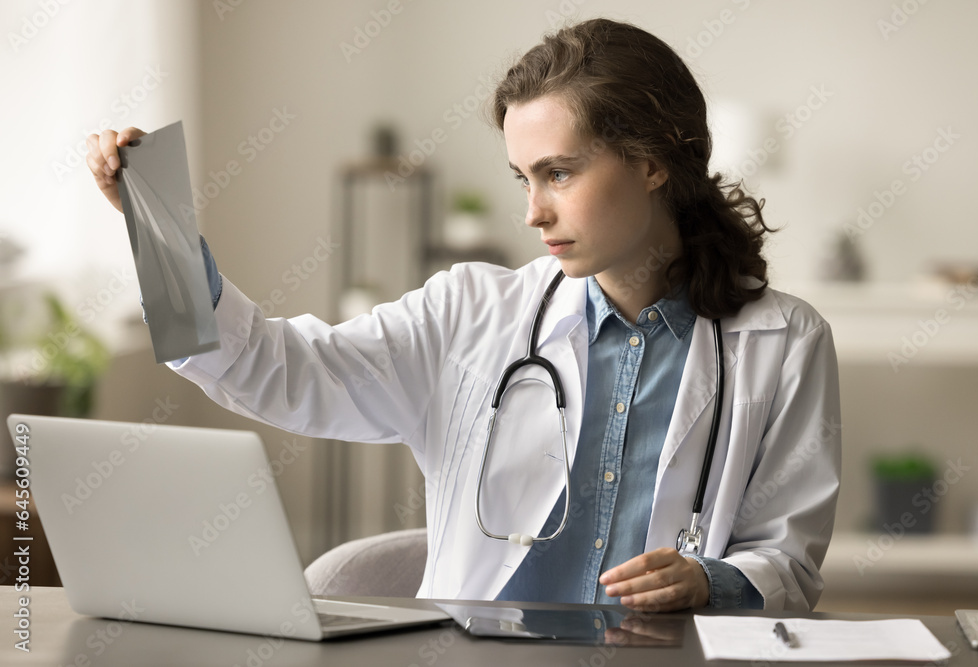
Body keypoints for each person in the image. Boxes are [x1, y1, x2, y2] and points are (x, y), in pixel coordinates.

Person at [86, 18, 840, 613]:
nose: (532, 212)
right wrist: (162, 239)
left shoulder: (784, 341)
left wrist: (710, 582)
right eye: (523, 177)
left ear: (651, 162)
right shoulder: (469, 314)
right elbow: (274, 369)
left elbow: (787, 559)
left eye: (559, 173)